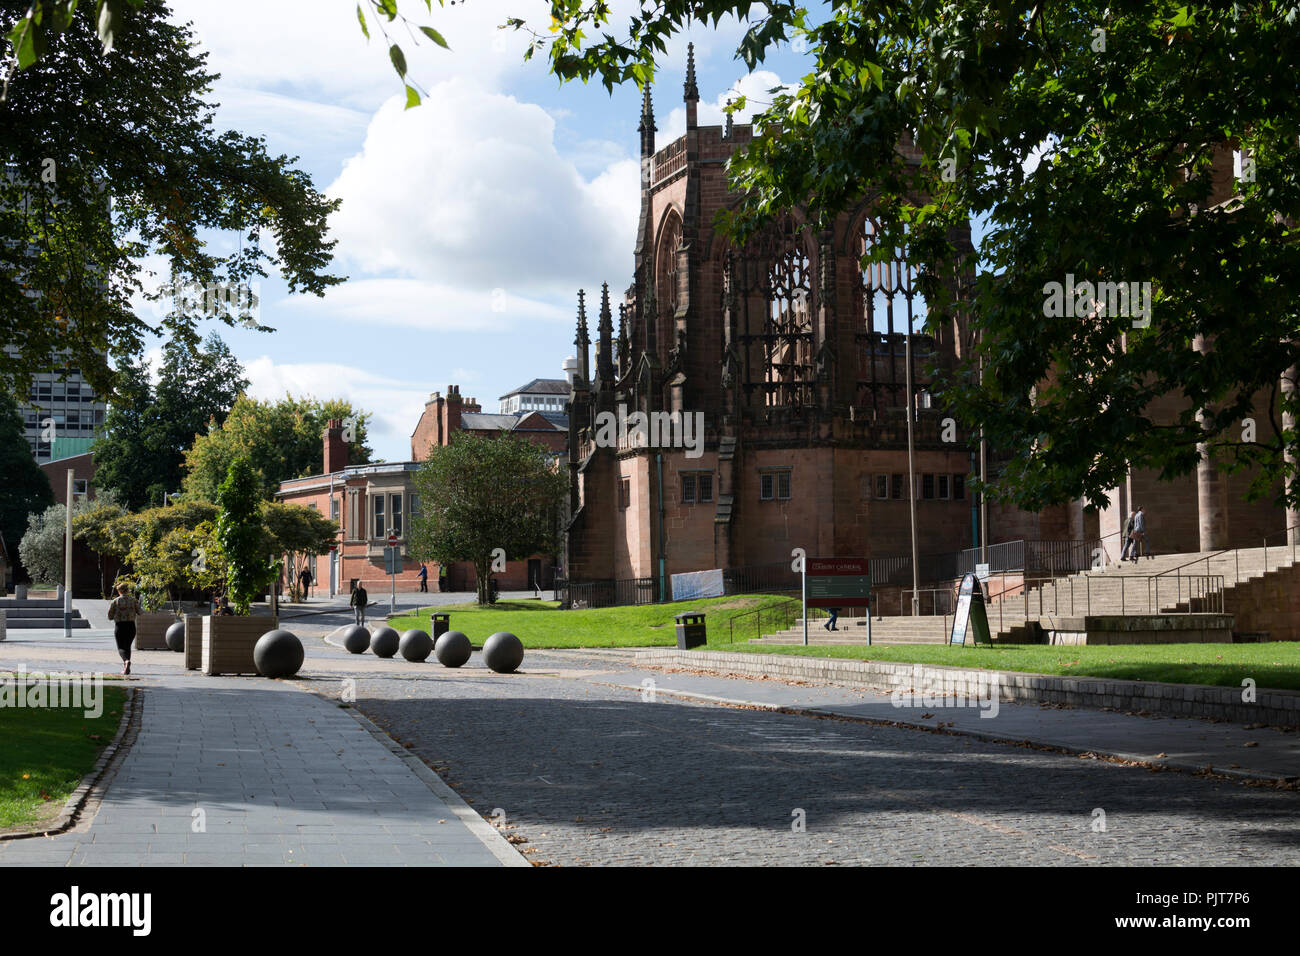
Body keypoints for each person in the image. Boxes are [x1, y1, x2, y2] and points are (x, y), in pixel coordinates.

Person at [106, 583, 141, 676]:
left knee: (121, 647)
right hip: (131, 626)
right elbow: (140, 612)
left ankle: (126, 661)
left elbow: (109, 616)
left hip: (120, 626)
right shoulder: (134, 600)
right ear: (128, 590)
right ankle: (126, 667)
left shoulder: (115, 601)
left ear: (119, 591)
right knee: (127, 646)